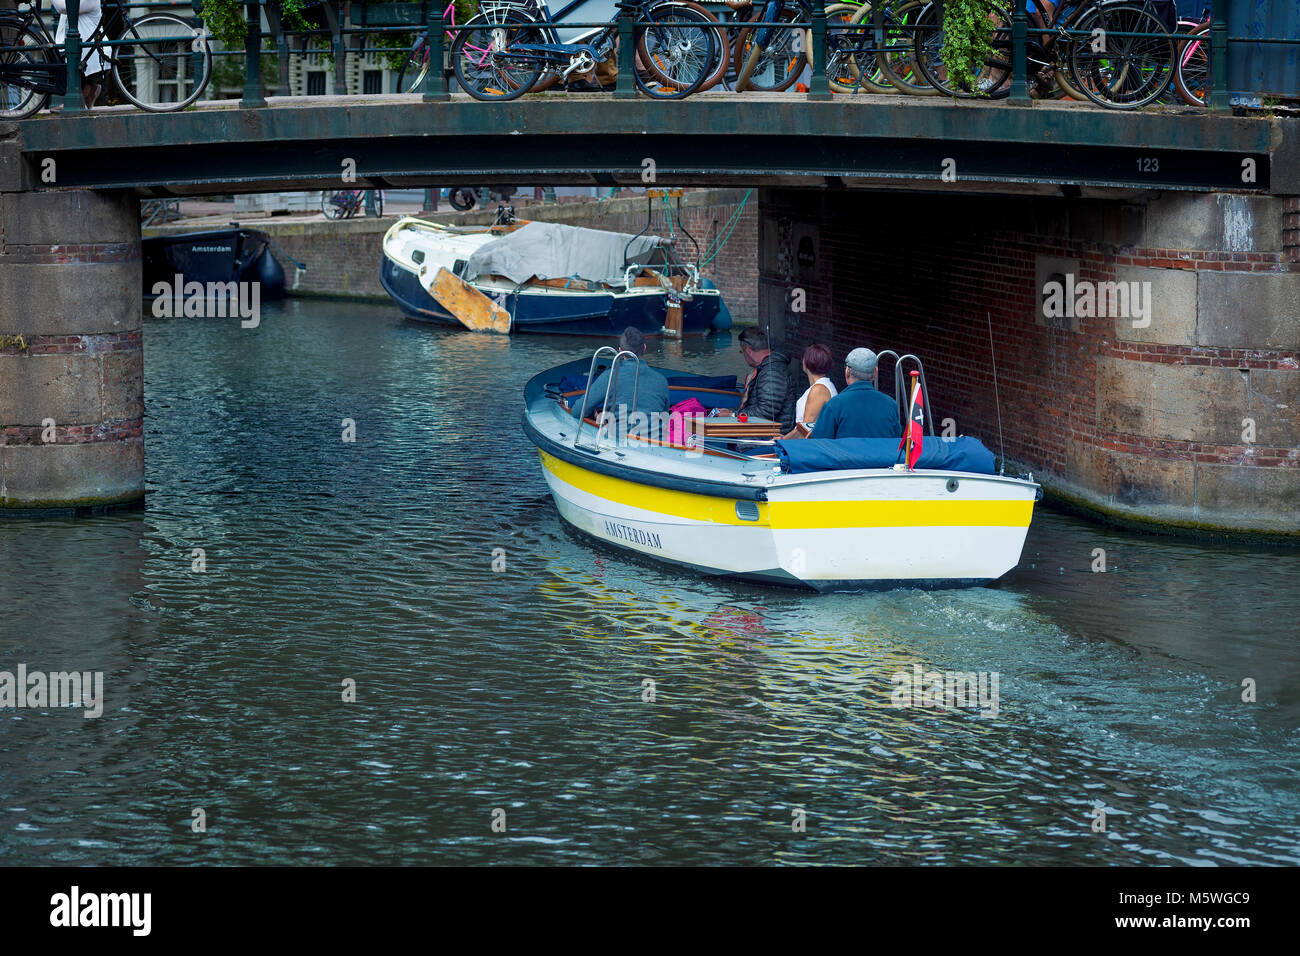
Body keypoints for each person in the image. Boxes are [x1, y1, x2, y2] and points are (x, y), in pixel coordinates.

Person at [569, 326, 670, 436]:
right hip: (655, 442)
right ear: (644, 348)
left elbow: (578, 411)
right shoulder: (661, 380)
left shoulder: (610, 376)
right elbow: (664, 415)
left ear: (620, 351)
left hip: (620, 441)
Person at [711, 327, 795, 431]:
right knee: (698, 429)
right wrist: (731, 412)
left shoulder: (772, 373)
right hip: (759, 433)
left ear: (748, 350)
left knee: (696, 435)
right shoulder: (768, 368)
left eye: (741, 351)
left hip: (766, 437)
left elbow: (766, 412)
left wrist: (732, 415)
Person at [810, 347, 902, 440]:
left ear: (847, 371)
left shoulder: (834, 405)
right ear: (875, 373)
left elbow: (819, 444)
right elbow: (895, 443)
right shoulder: (891, 405)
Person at [52, 0, 106, 108]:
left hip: (90, 53)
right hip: (81, 50)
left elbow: (63, 8)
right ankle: (83, 100)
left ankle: (83, 99)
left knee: (83, 80)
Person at [779, 343, 838, 440]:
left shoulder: (819, 389)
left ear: (806, 362)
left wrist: (782, 441)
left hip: (809, 448)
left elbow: (805, 429)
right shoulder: (824, 385)